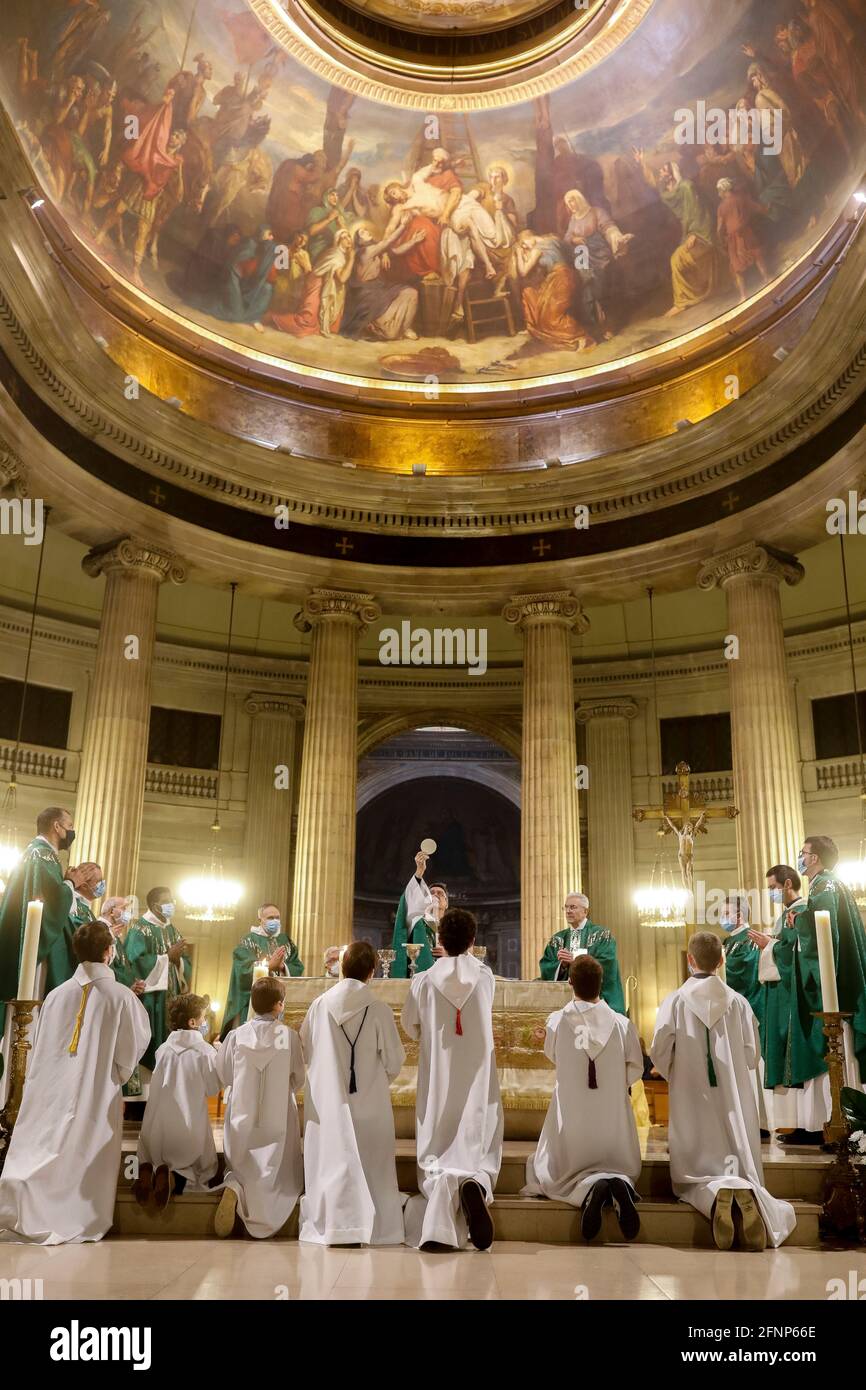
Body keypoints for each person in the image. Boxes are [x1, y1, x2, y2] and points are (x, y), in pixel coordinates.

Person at [0, 920, 150, 1245]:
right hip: (96, 1088)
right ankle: (72, 1213)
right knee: (84, 1142)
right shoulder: (121, 996)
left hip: (51, 1087)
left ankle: (29, 1199)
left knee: (48, 1139)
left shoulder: (56, 995)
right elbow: (134, 1044)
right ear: (109, 952)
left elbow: (41, 1044)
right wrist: (118, 1074)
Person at [650, 932, 796, 1250]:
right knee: (733, 1157)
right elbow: (750, 1055)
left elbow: (659, 1049)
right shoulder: (739, 1003)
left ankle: (717, 1194)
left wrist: (672, 1067)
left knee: (691, 1178)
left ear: (690, 960)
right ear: (722, 961)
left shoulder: (674, 1001)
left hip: (690, 1096)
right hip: (731, 1098)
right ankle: (739, 1186)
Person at [750, 837, 866, 1146]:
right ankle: (817, 1125)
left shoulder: (824, 888)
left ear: (814, 858)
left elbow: (820, 936)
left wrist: (789, 932)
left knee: (826, 1055)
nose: (800, 858)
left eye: (803, 853)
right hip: (828, 987)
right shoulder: (826, 887)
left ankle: (838, 1126)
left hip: (828, 991)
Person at [401, 907, 503, 1251]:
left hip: (439, 1072)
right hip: (477, 1070)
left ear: (439, 940)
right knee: (479, 1127)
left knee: (436, 1134)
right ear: (473, 941)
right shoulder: (486, 976)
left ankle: (443, 1181)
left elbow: (410, 1025)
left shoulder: (424, 980)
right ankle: (476, 1181)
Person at [523, 955, 642, 1242]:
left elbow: (552, 1055)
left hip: (572, 1117)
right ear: (601, 984)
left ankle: (587, 1189)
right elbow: (636, 1067)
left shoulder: (556, 1021)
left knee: (552, 1172)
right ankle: (618, 1182)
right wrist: (614, 1085)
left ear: (570, 983)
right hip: (611, 1117)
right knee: (616, 1162)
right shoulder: (622, 1023)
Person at [299, 940, 405, 1246]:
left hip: (329, 1102)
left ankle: (335, 1224)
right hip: (371, 1101)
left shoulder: (320, 1005)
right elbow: (395, 1061)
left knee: (332, 1157)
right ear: (372, 971)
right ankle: (377, 1228)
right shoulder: (379, 1008)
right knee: (373, 1161)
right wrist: (376, 1081)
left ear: (341, 969)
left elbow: (306, 1047)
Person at [214, 976, 305, 1239]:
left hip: (243, 1112)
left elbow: (224, 1073)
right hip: (277, 1114)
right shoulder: (288, 1036)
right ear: (279, 1005)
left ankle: (235, 1185)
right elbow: (298, 1077)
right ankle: (262, 1208)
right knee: (279, 1169)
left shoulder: (236, 1035)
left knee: (243, 1158)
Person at [0, 807, 77, 1093]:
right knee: (29, 1019)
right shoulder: (42, 854)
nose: (71, 831)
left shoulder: (33, 853)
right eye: (69, 825)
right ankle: (17, 1095)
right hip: (36, 954)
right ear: (57, 827)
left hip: (29, 948)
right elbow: (52, 902)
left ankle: (13, 1096)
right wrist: (70, 883)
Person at [135, 992, 221, 1209]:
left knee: (160, 1149)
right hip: (188, 1127)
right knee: (201, 1165)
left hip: (159, 1129)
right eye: (203, 1018)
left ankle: (151, 1169)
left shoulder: (163, 1050)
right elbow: (212, 1088)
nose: (205, 1023)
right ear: (192, 1022)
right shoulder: (204, 1051)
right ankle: (177, 1176)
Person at [753, 865, 811, 1141]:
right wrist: (772, 942)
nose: (771, 893)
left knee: (795, 1056)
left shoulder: (802, 910)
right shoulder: (785, 915)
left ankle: (807, 1126)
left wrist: (770, 944)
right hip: (782, 995)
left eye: (773, 888)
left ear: (788, 884)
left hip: (792, 997)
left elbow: (794, 952)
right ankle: (795, 1124)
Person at [632, 151, 720, 316]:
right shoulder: (667, 189)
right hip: (687, 230)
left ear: (673, 173)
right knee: (677, 259)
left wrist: (695, 233)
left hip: (700, 230)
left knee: (676, 259)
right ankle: (687, 297)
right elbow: (652, 181)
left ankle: (682, 302)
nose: (662, 173)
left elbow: (699, 210)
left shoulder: (686, 186)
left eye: (664, 171)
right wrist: (642, 162)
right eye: (662, 171)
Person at [125, 886, 191, 1086]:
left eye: (172, 900)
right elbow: (135, 960)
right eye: (167, 901)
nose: (172, 905)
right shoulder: (139, 928)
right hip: (151, 1000)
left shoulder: (172, 930)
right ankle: (143, 1096)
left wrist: (178, 961)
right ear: (155, 906)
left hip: (171, 1001)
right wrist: (166, 958)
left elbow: (185, 962)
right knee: (150, 1043)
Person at [721, 891, 772, 1136]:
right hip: (734, 1013)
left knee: (753, 1065)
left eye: (726, 913)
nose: (723, 917)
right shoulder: (729, 941)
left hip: (751, 1008)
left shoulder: (749, 939)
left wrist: (715, 963)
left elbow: (745, 973)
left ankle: (760, 1122)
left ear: (739, 915)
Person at [220, 903, 303, 1039]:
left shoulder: (286, 941)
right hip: (254, 1003)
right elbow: (241, 970)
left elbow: (297, 965)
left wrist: (283, 967)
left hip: (281, 1002)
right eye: (270, 918)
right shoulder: (248, 940)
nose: (275, 921)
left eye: (277, 917)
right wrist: (269, 966)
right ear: (260, 920)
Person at [538, 892, 626, 1012]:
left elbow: (608, 963)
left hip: (596, 1003)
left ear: (585, 911)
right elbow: (546, 966)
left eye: (573, 907)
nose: (568, 911)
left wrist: (575, 961)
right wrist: (561, 966)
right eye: (566, 907)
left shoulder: (601, 935)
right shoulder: (557, 939)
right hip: (565, 1005)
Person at [390, 850, 447, 978]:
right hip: (423, 976)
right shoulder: (418, 923)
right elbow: (409, 900)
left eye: (441, 893)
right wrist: (419, 872)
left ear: (447, 903)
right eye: (432, 893)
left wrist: (449, 954)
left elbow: (469, 954)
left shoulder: (456, 928)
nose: (436, 895)